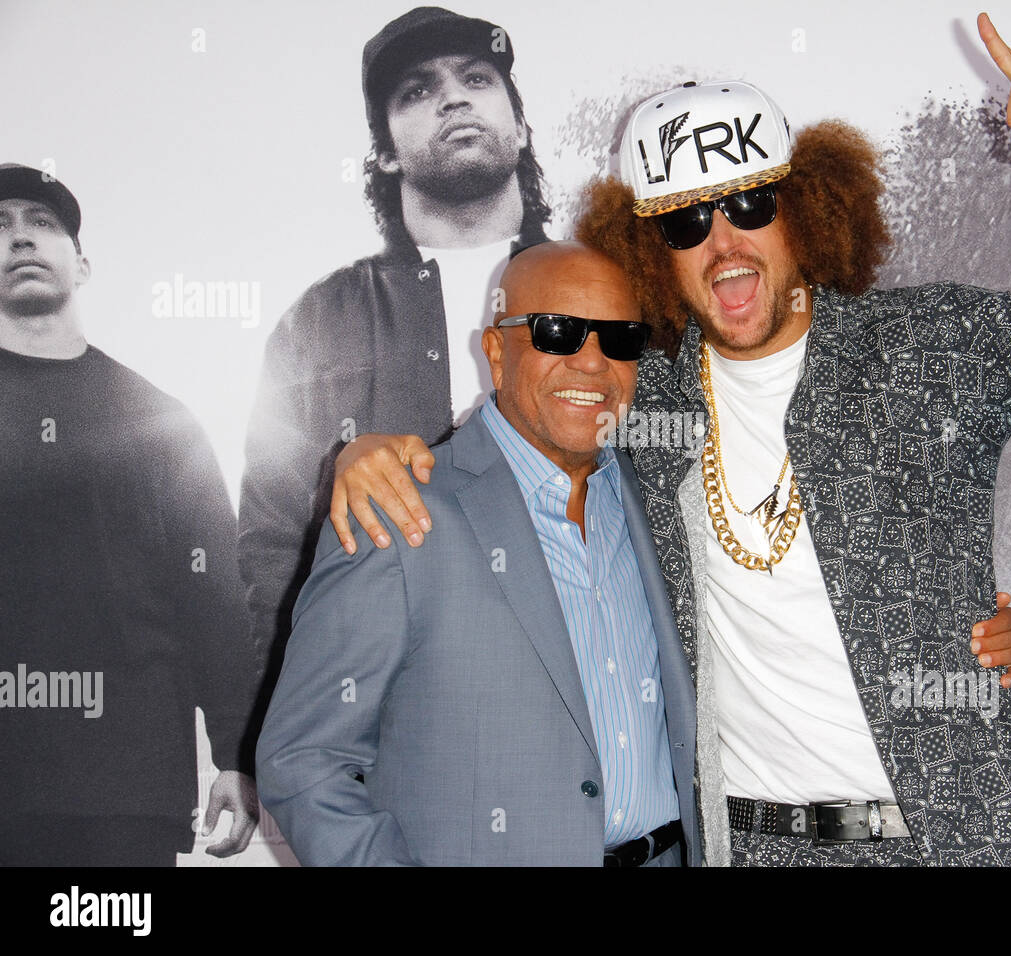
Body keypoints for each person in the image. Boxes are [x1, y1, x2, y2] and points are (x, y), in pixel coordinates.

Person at [333, 15, 1011, 866]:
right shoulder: (639, 390)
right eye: (682, 223)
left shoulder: (932, 346)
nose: (722, 241)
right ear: (651, 250)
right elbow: (518, 439)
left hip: (949, 842)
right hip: (750, 846)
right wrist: (371, 454)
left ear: (805, 207)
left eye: (749, 203)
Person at [256, 242, 698, 866]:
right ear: (495, 351)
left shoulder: (654, 492)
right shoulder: (400, 505)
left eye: (620, 339)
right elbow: (302, 759)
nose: (593, 362)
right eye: (559, 332)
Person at [237, 6, 552, 726]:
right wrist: (270, 734)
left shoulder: (615, 291)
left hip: (593, 724)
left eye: (477, 77)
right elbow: (270, 546)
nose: (453, 97)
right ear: (384, 153)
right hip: (396, 732)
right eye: (415, 90)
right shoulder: (318, 323)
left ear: (521, 126)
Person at [0, 163, 259, 865]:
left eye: (41, 223)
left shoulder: (159, 420)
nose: (20, 239)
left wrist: (237, 752)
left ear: (81, 264)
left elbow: (214, 596)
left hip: (127, 795)